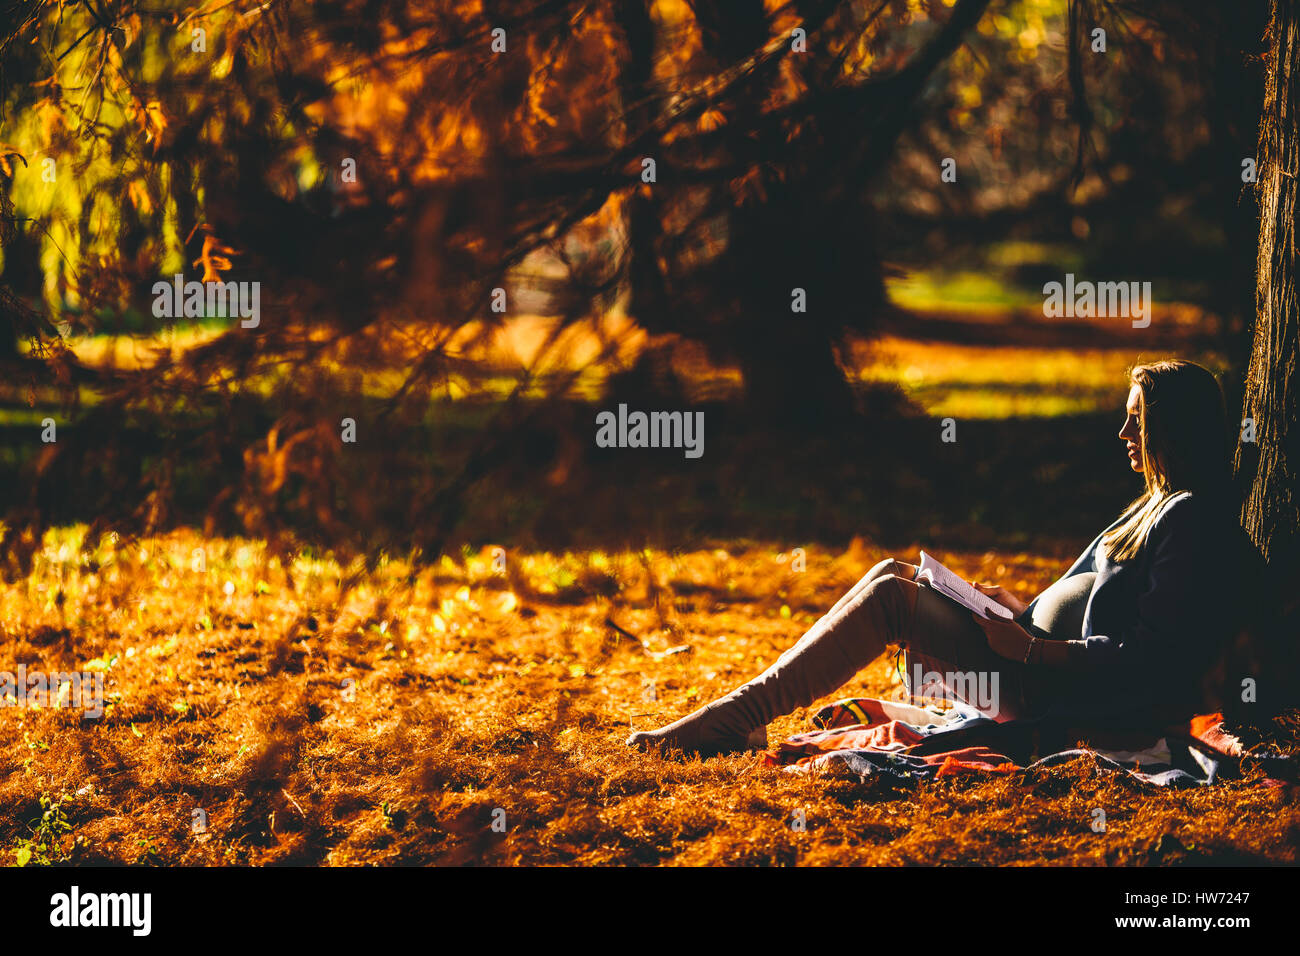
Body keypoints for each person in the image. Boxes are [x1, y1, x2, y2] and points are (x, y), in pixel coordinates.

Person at [626, 360, 1244, 758]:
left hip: (1051, 688)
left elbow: (1155, 655)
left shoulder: (1188, 516)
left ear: (1173, 432)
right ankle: (742, 717)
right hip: (1030, 656)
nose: (1122, 435)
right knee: (894, 574)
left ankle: (730, 718)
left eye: (1135, 422)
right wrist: (1014, 609)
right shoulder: (1156, 504)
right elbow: (1093, 602)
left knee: (894, 600)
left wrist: (1030, 648)